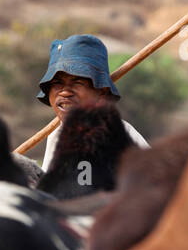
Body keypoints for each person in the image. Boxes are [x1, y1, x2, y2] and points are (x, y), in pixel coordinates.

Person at [36, 34, 149, 172]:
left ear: (101, 91)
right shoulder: (57, 136)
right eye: (57, 83)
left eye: (77, 82)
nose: (65, 92)